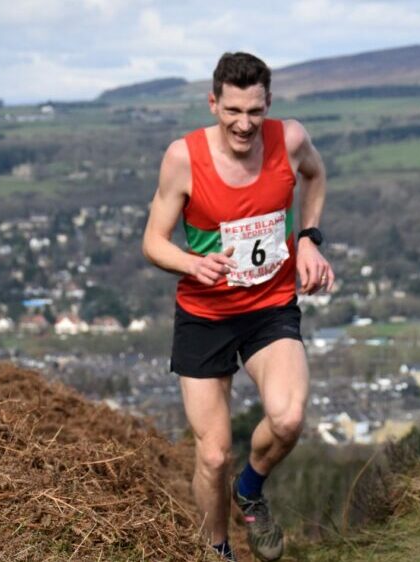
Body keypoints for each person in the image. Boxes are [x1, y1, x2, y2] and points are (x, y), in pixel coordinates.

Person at [142, 52, 333, 562]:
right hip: (205, 315)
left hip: (269, 306)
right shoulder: (183, 158)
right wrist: (188, 263)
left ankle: (250, 489)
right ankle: (217, 549)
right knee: (212, 453)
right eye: (232, 111)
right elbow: (153, 241)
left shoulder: (289, 139)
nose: (244, 124)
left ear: (268, 103)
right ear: (213, 103)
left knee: (289, 418)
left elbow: (315, 177)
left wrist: (310, 238)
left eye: (254, 111)